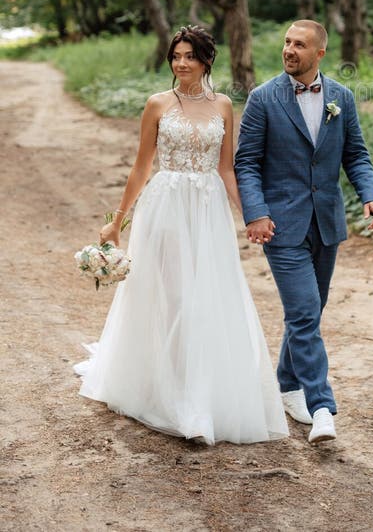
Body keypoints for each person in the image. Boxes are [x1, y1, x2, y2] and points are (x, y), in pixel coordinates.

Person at [75, 26, 288, 446]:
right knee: (174, 298)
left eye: (190, 55)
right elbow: (141, 168)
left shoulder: (224, 106)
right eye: (176, 56)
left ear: (207, 60)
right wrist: (116, 222)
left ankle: (200, 394)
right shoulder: (157, 104)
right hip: (166, 207)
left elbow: (226, 169)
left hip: (207, 210)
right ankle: (178, 399)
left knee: (205, 297)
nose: (181, 63)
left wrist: (251, 216)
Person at [234, 20, 373, 444]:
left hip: (327, 220)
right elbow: (246, 163)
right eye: (285, 42)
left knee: (309, 312)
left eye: (299, 45)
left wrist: (371, 196)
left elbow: (356, 154)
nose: (289, 50)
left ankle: (287, 385)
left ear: (319, 53)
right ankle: (322, 408)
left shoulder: (342, 97)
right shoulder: (263, 99)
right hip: (280, 225)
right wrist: (256, 213)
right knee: (303, 313)